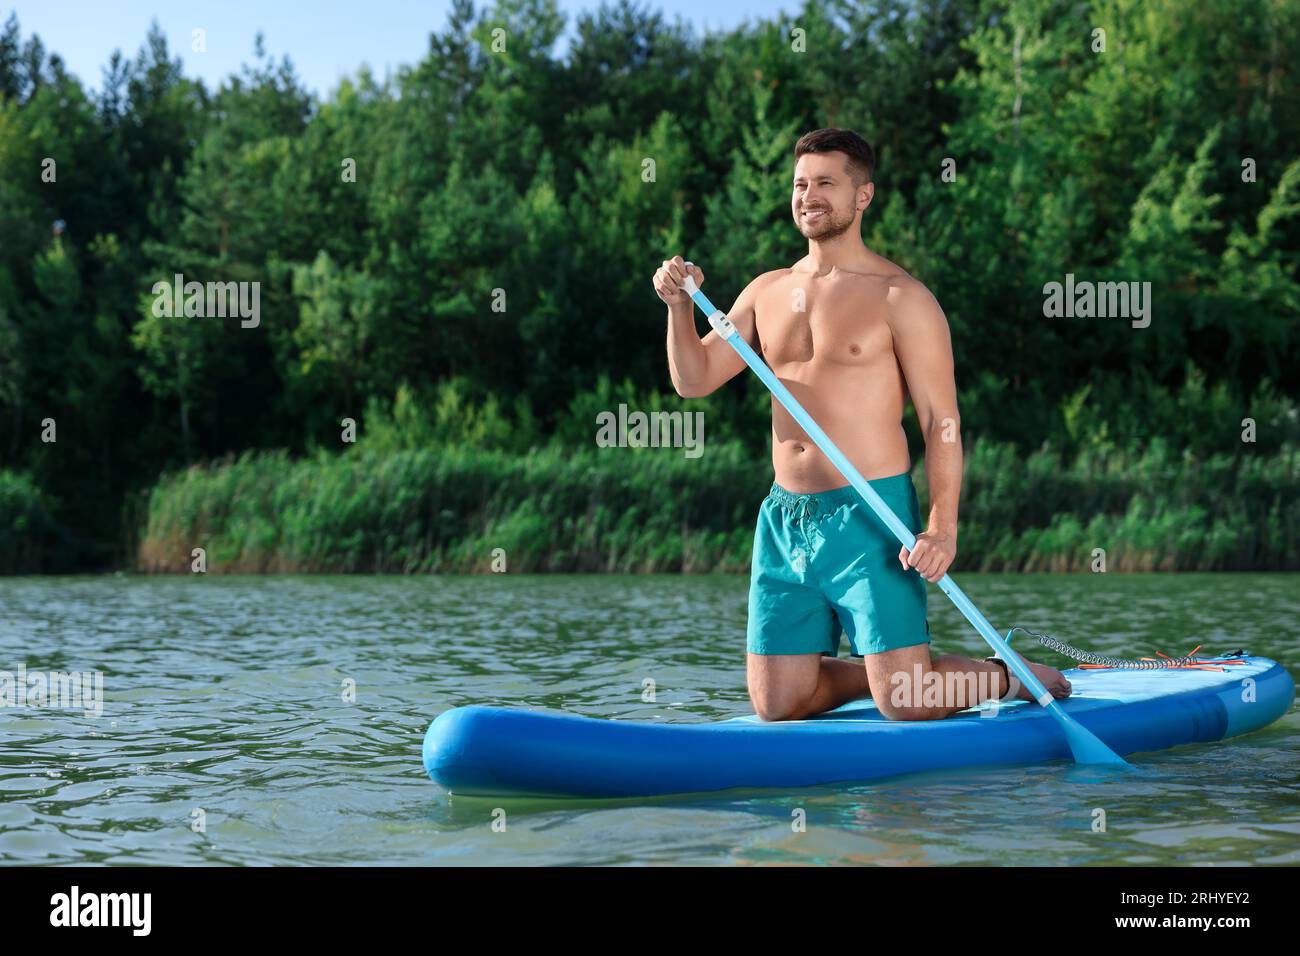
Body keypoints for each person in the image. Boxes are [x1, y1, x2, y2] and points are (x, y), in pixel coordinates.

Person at [654, 127, 1072, 721]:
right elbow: (692, 381)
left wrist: (942, 528)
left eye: (826, 182)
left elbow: (941, 422)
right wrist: (677, 308)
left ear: (863, 197)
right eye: (801, 184)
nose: (809, 196)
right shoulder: (766, 291)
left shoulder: (900, 296)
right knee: (779, 703)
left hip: (871, 514)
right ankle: (879, 677)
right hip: (784, 517)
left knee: (907, 702)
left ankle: (1008, 678)